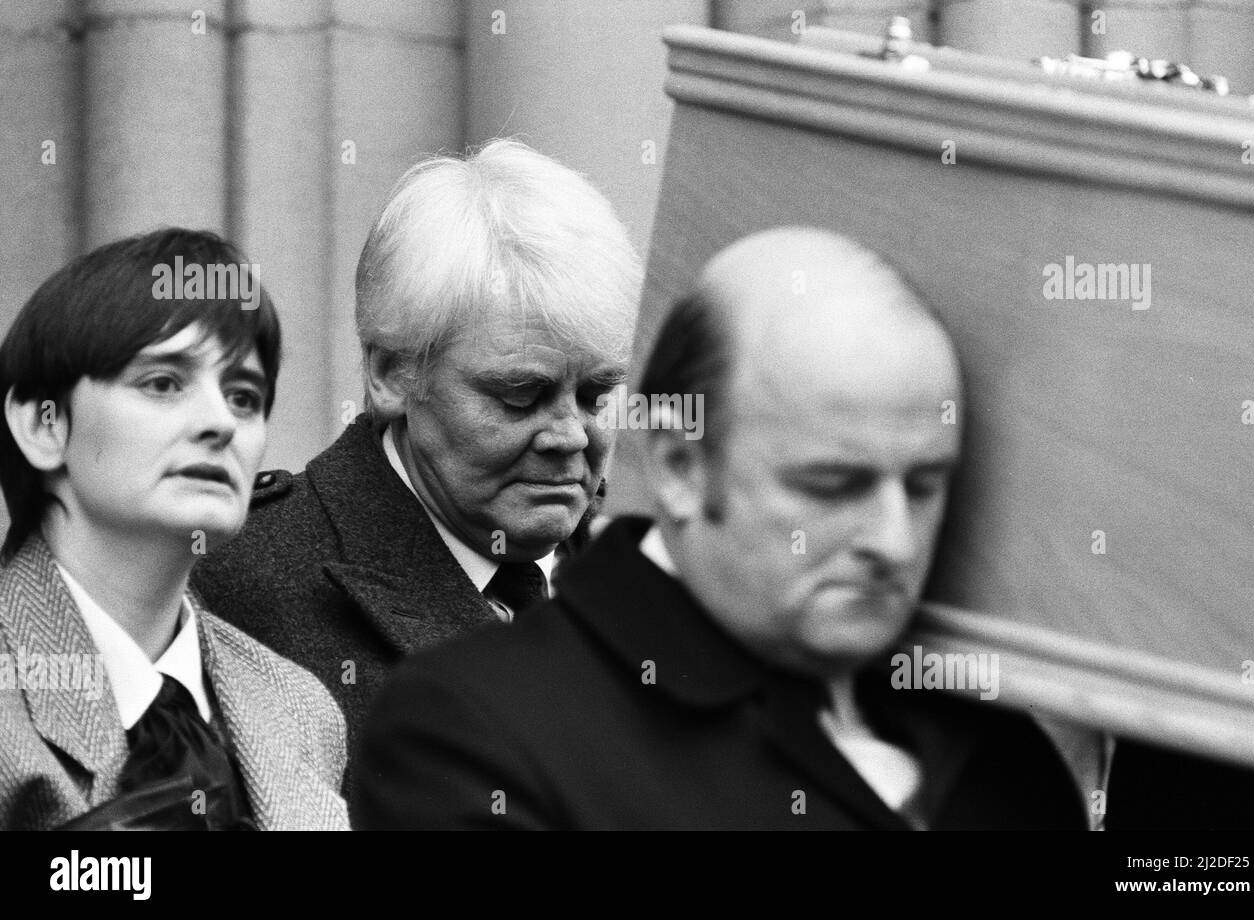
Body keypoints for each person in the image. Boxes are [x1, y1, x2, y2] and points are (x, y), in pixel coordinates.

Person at [353, 227, 1087, 830]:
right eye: (833, 485)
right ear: (680, 465)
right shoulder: (474, 730)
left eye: (924, 487)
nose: (893, 543)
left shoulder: (1002, 751)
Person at [191, 139, 642, 800]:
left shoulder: (654, 581)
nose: (572, 435)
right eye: (521, 396)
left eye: (598, 395)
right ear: (391, 376)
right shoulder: (235, 590)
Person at [0, 228, 348, 830]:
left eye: (244, 396)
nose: (220, 422)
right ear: (43, 425)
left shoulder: (302, 709)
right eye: (162, 383)